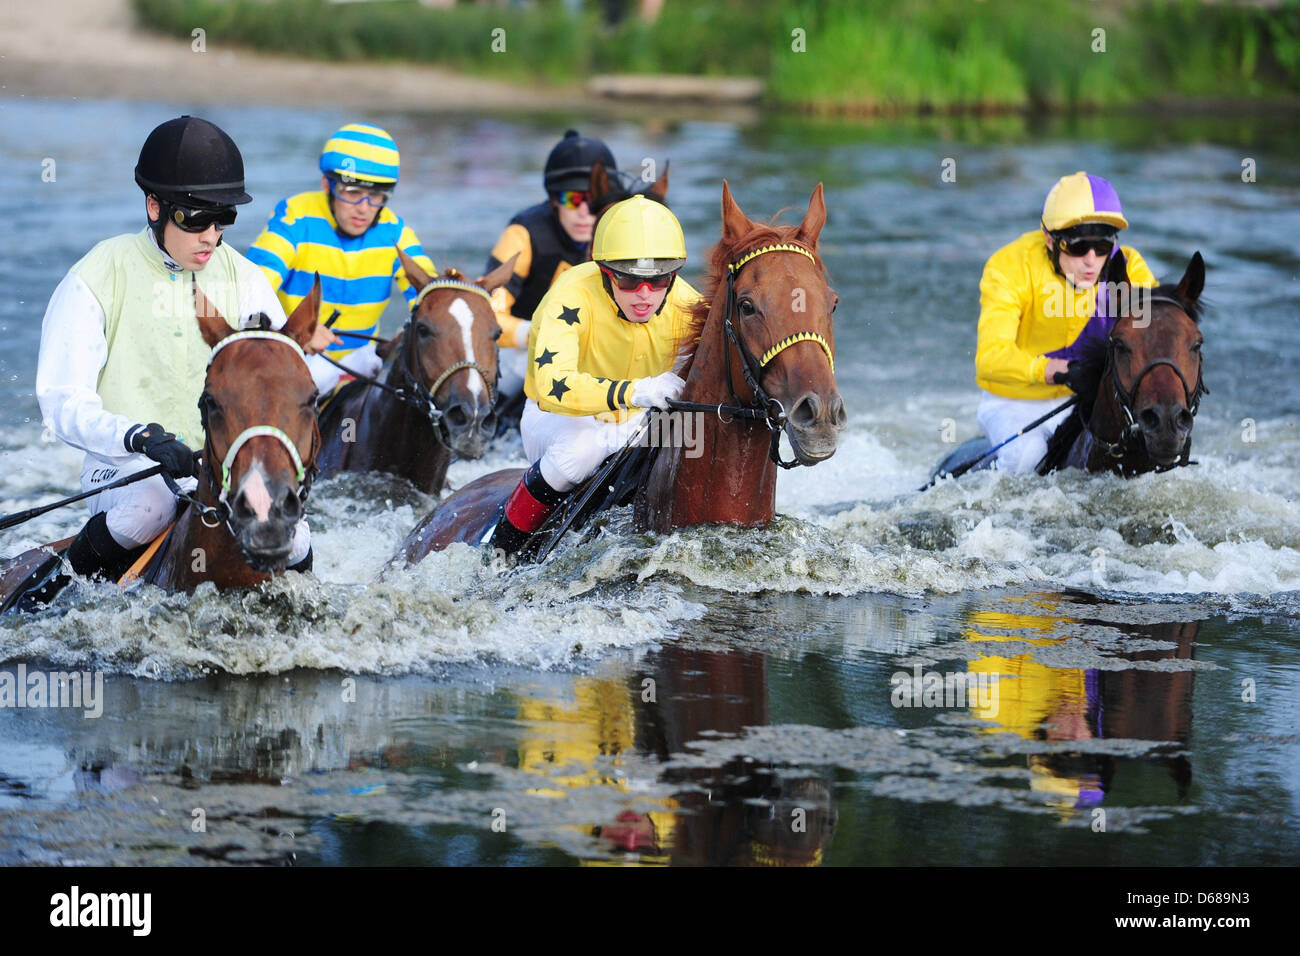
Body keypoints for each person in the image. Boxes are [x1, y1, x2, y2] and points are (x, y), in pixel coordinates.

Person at [35, 115, 336, 584]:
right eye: (196, 219)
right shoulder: (95, 276)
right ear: (155, 207)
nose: (211, 235)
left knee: (294, 535)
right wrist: (139, 437)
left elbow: (280, 384)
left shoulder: (244, 277)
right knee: (151, 507)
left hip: (219, 466)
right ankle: (58, 592)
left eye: (223, 220)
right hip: (123, 467)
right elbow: (61, 402)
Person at [488, 195, 703, 556]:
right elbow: (552, 386)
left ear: (674, 274)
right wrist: (636, 392)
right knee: (580, 451)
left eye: (659, 280)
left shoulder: (686, 302)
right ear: (605, 272)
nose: (644, 295)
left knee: (699, 442)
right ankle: (500, 555)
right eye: (629, 280)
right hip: (557, 416)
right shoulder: (567, 299)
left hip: (638, 419)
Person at [974, 171, 1157, 472]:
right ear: (1050, 239)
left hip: (1086, 398)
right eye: (1078, 246)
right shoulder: (1007, 268)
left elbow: (1152, 338)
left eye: (1102, 246)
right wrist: (1058, 371)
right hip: (1014, 400)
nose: (1091, 260)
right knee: (1027, 458)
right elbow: (990, 359)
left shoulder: (1129, 267)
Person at [247, 122, 435, 396]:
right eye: (352, 192)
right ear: (327, 183)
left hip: (361, 365)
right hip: (292, 359)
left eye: (375, 195)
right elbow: (249, 291)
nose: (364, 208)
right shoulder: (295, 217)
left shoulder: (395, 231)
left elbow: (430, 293)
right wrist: (295, 328)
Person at [484, 129, 619, 418]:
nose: (585, 212)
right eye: (573, 199)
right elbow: (490, 314)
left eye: (594, 201)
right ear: (554, 199)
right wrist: (538, 335)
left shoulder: (620, 236)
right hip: (523, 353)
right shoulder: (523, 234)